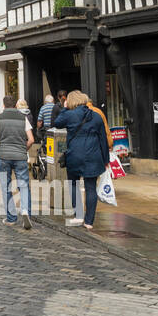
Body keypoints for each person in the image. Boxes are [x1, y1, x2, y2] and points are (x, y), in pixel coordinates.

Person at [52, 90, 111, 230]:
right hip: (93, 156)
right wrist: (105, 160)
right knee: (91, 188)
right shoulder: (96, 116)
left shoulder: (69, 115)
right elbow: (103, 139)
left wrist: (65, 108)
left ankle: (78, 215)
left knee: (73, 184)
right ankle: (89, 222)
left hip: (74, 155)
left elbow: (57, 123)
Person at [0, 95, 35, 229]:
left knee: (6, 187)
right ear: (15, 105)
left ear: (3, 105)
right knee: (23, 185)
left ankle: (11, 218)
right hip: (20, 156)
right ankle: (25, 211)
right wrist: (24, 149)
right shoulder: (23, 118)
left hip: (4, 156)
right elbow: (31, 139)